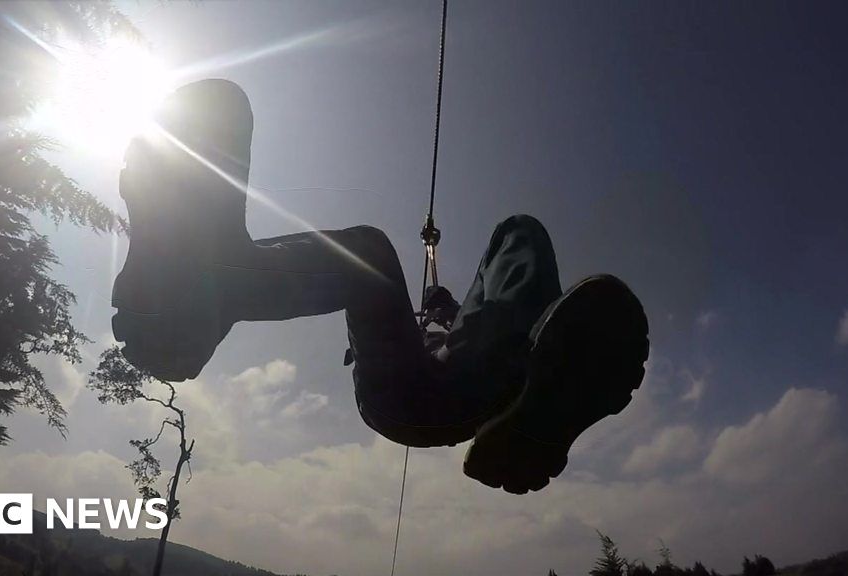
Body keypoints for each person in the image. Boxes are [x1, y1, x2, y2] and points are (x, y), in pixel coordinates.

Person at [111, 79, 649, 494]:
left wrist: (449, 317)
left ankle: (215, 284)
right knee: (519, 233)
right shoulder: (462, 350)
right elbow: (466, 334)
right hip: (460, 380)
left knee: (374, 252)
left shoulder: (443, 363)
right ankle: (536, 394)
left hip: (422, 395)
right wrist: (451, 310)